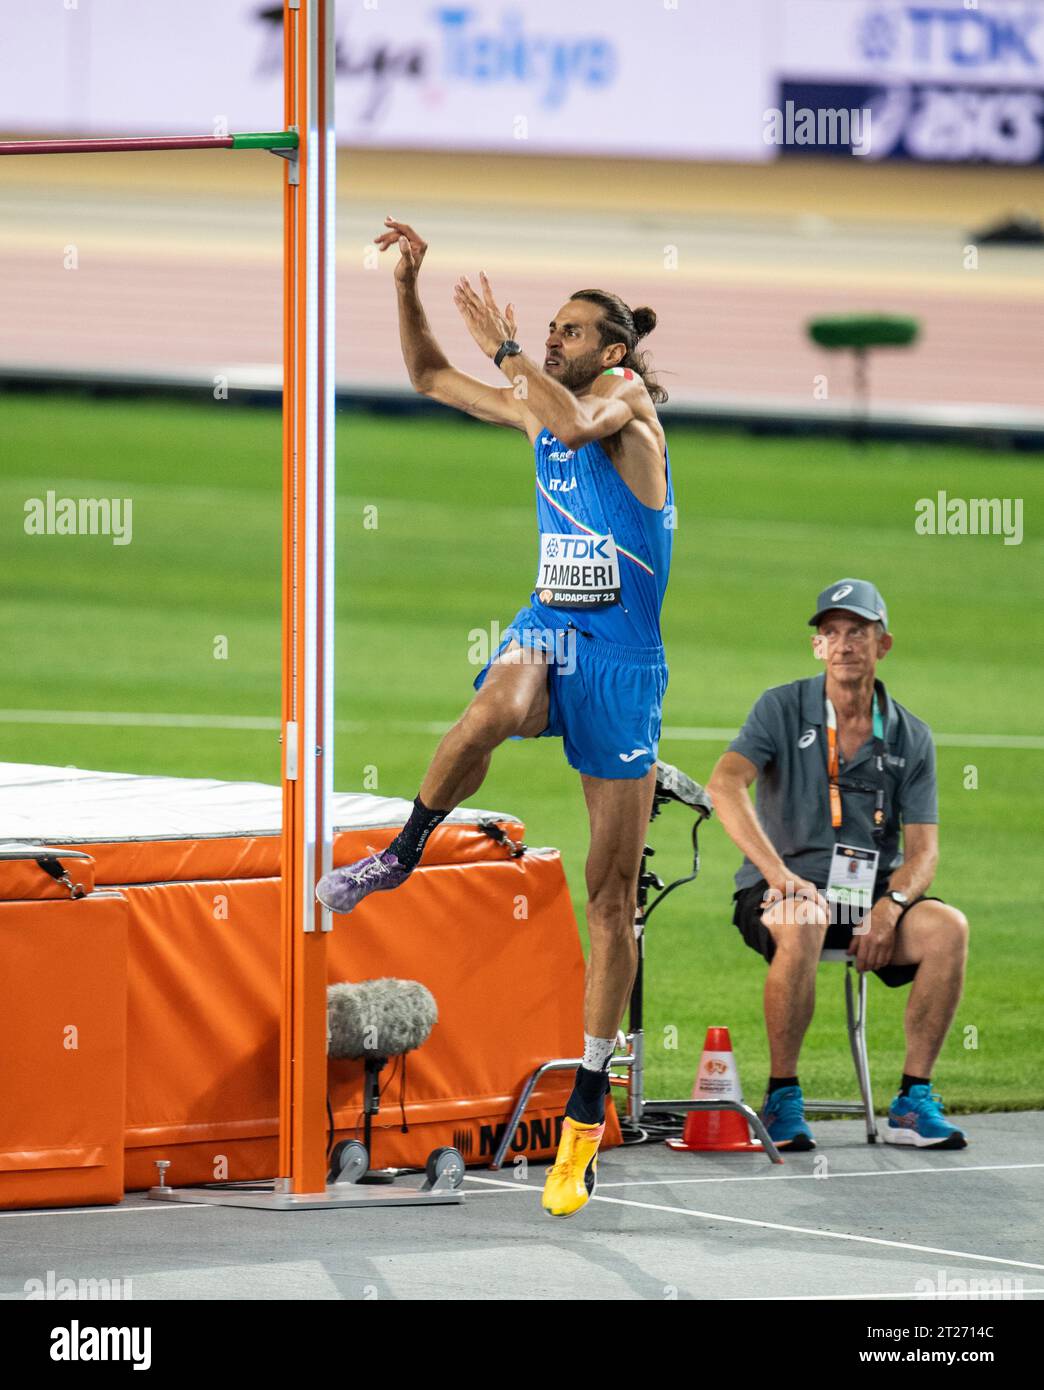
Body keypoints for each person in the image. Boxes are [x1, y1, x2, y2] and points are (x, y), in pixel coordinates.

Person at [316, 218, 675, 1215]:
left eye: (571, 331)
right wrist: (408, 287)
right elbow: (431, 378)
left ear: (612, 349)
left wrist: (512, 353)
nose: (552, 338)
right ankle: (403, 847)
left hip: (624, 668)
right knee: (492, 707)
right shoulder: (544, 404)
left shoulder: (624, 402)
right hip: (549, 630)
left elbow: (565, 422)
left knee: (608, 900)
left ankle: (586, 1115)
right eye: (547, 328)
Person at [707, 579, 969, 1151]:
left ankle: (913, 1099)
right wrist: (777, 874)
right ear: (817, 649)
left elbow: (923, 851)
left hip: (869, 897)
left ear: (884, 644)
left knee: (949, 929)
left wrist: (892, 906)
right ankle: (782, 1097)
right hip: (783, 891)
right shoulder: (781, 708)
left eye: (859, 632)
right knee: (804, 918)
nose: (845, 643)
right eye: (831, 633)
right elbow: (724, 786)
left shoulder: (911, 736)